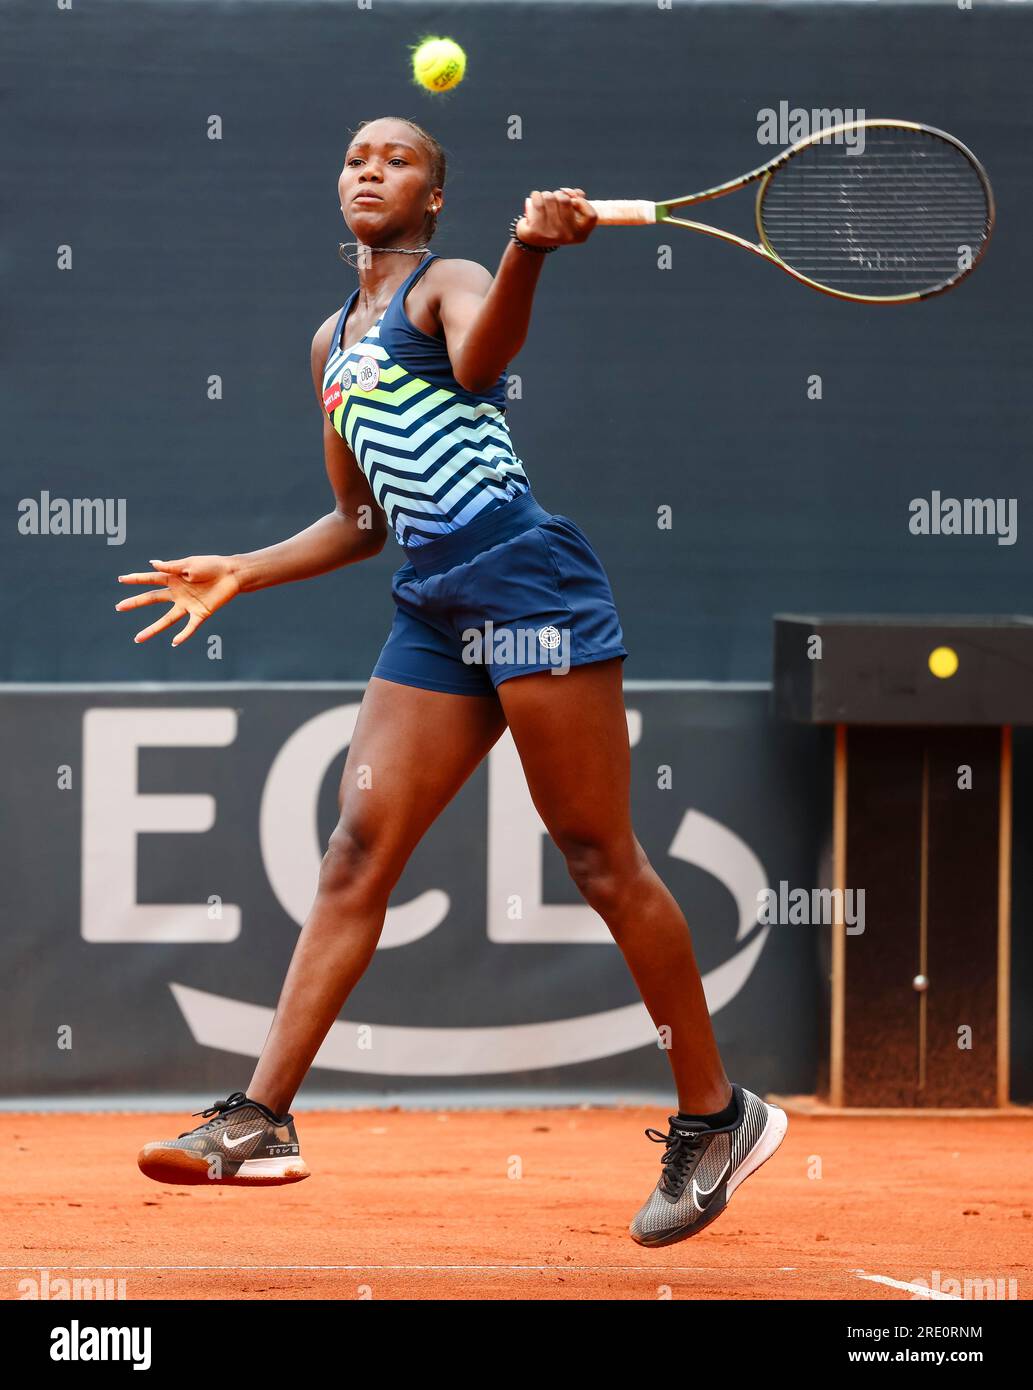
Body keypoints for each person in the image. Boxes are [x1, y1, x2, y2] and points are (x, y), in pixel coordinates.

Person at [117, 116, 786, 1246]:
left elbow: (482, 363)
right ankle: (260, 1118)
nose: (369, 170)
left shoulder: (453, 280)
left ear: (432, 198)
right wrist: (243, 567)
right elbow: (359, 518)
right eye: (353, 158)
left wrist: (527, 248)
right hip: (432, 603)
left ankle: (715, 1114)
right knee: (357, 848)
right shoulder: (329, 340)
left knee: (596, 855)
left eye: (398, 161)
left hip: (523, 581)